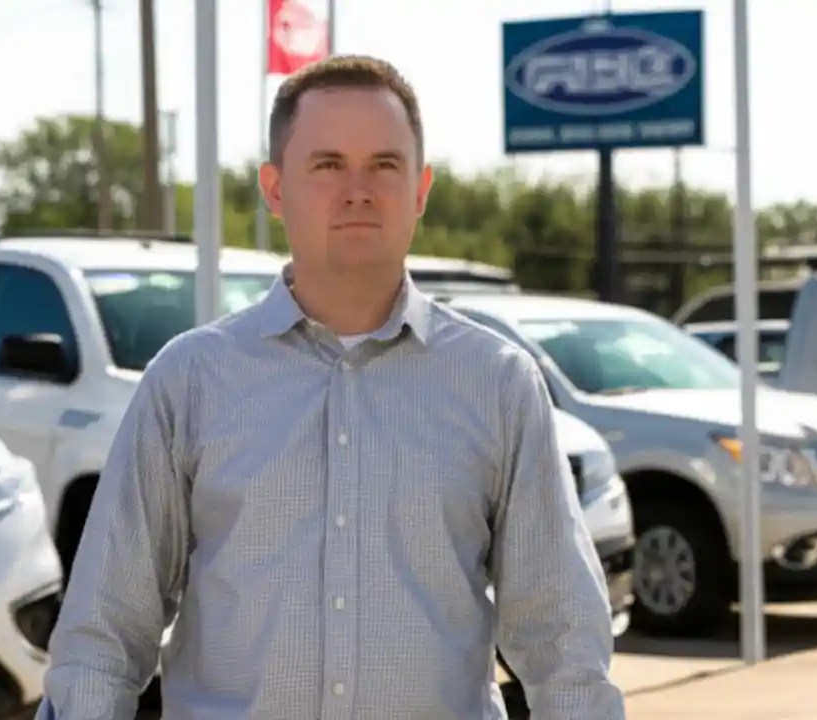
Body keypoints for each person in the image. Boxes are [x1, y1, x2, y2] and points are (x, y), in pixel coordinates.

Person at [36, 54, 624, 719]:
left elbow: (562, 639)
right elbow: (105, 633)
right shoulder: (189, 382)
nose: (358, 190)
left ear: (421, 189)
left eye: (384, 164)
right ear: (275, 187)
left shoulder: (497, 383)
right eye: (327, 165)